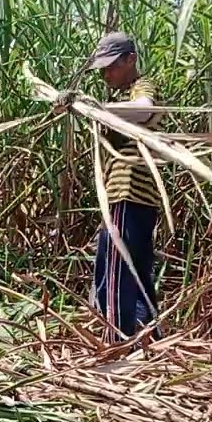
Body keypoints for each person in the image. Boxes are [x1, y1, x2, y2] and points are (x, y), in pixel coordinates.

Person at [55, 31, 164, 345]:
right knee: (137, 272)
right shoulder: (119, 98)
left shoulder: (142, 87)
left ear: (131, 59)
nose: (105, 73)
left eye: (111, 66)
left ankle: (117, 341)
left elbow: (145, 108)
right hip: (127, 195)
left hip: (129, 192)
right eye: (101, 68)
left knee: (114, 269)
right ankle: (150, 340)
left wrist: (96, 107)